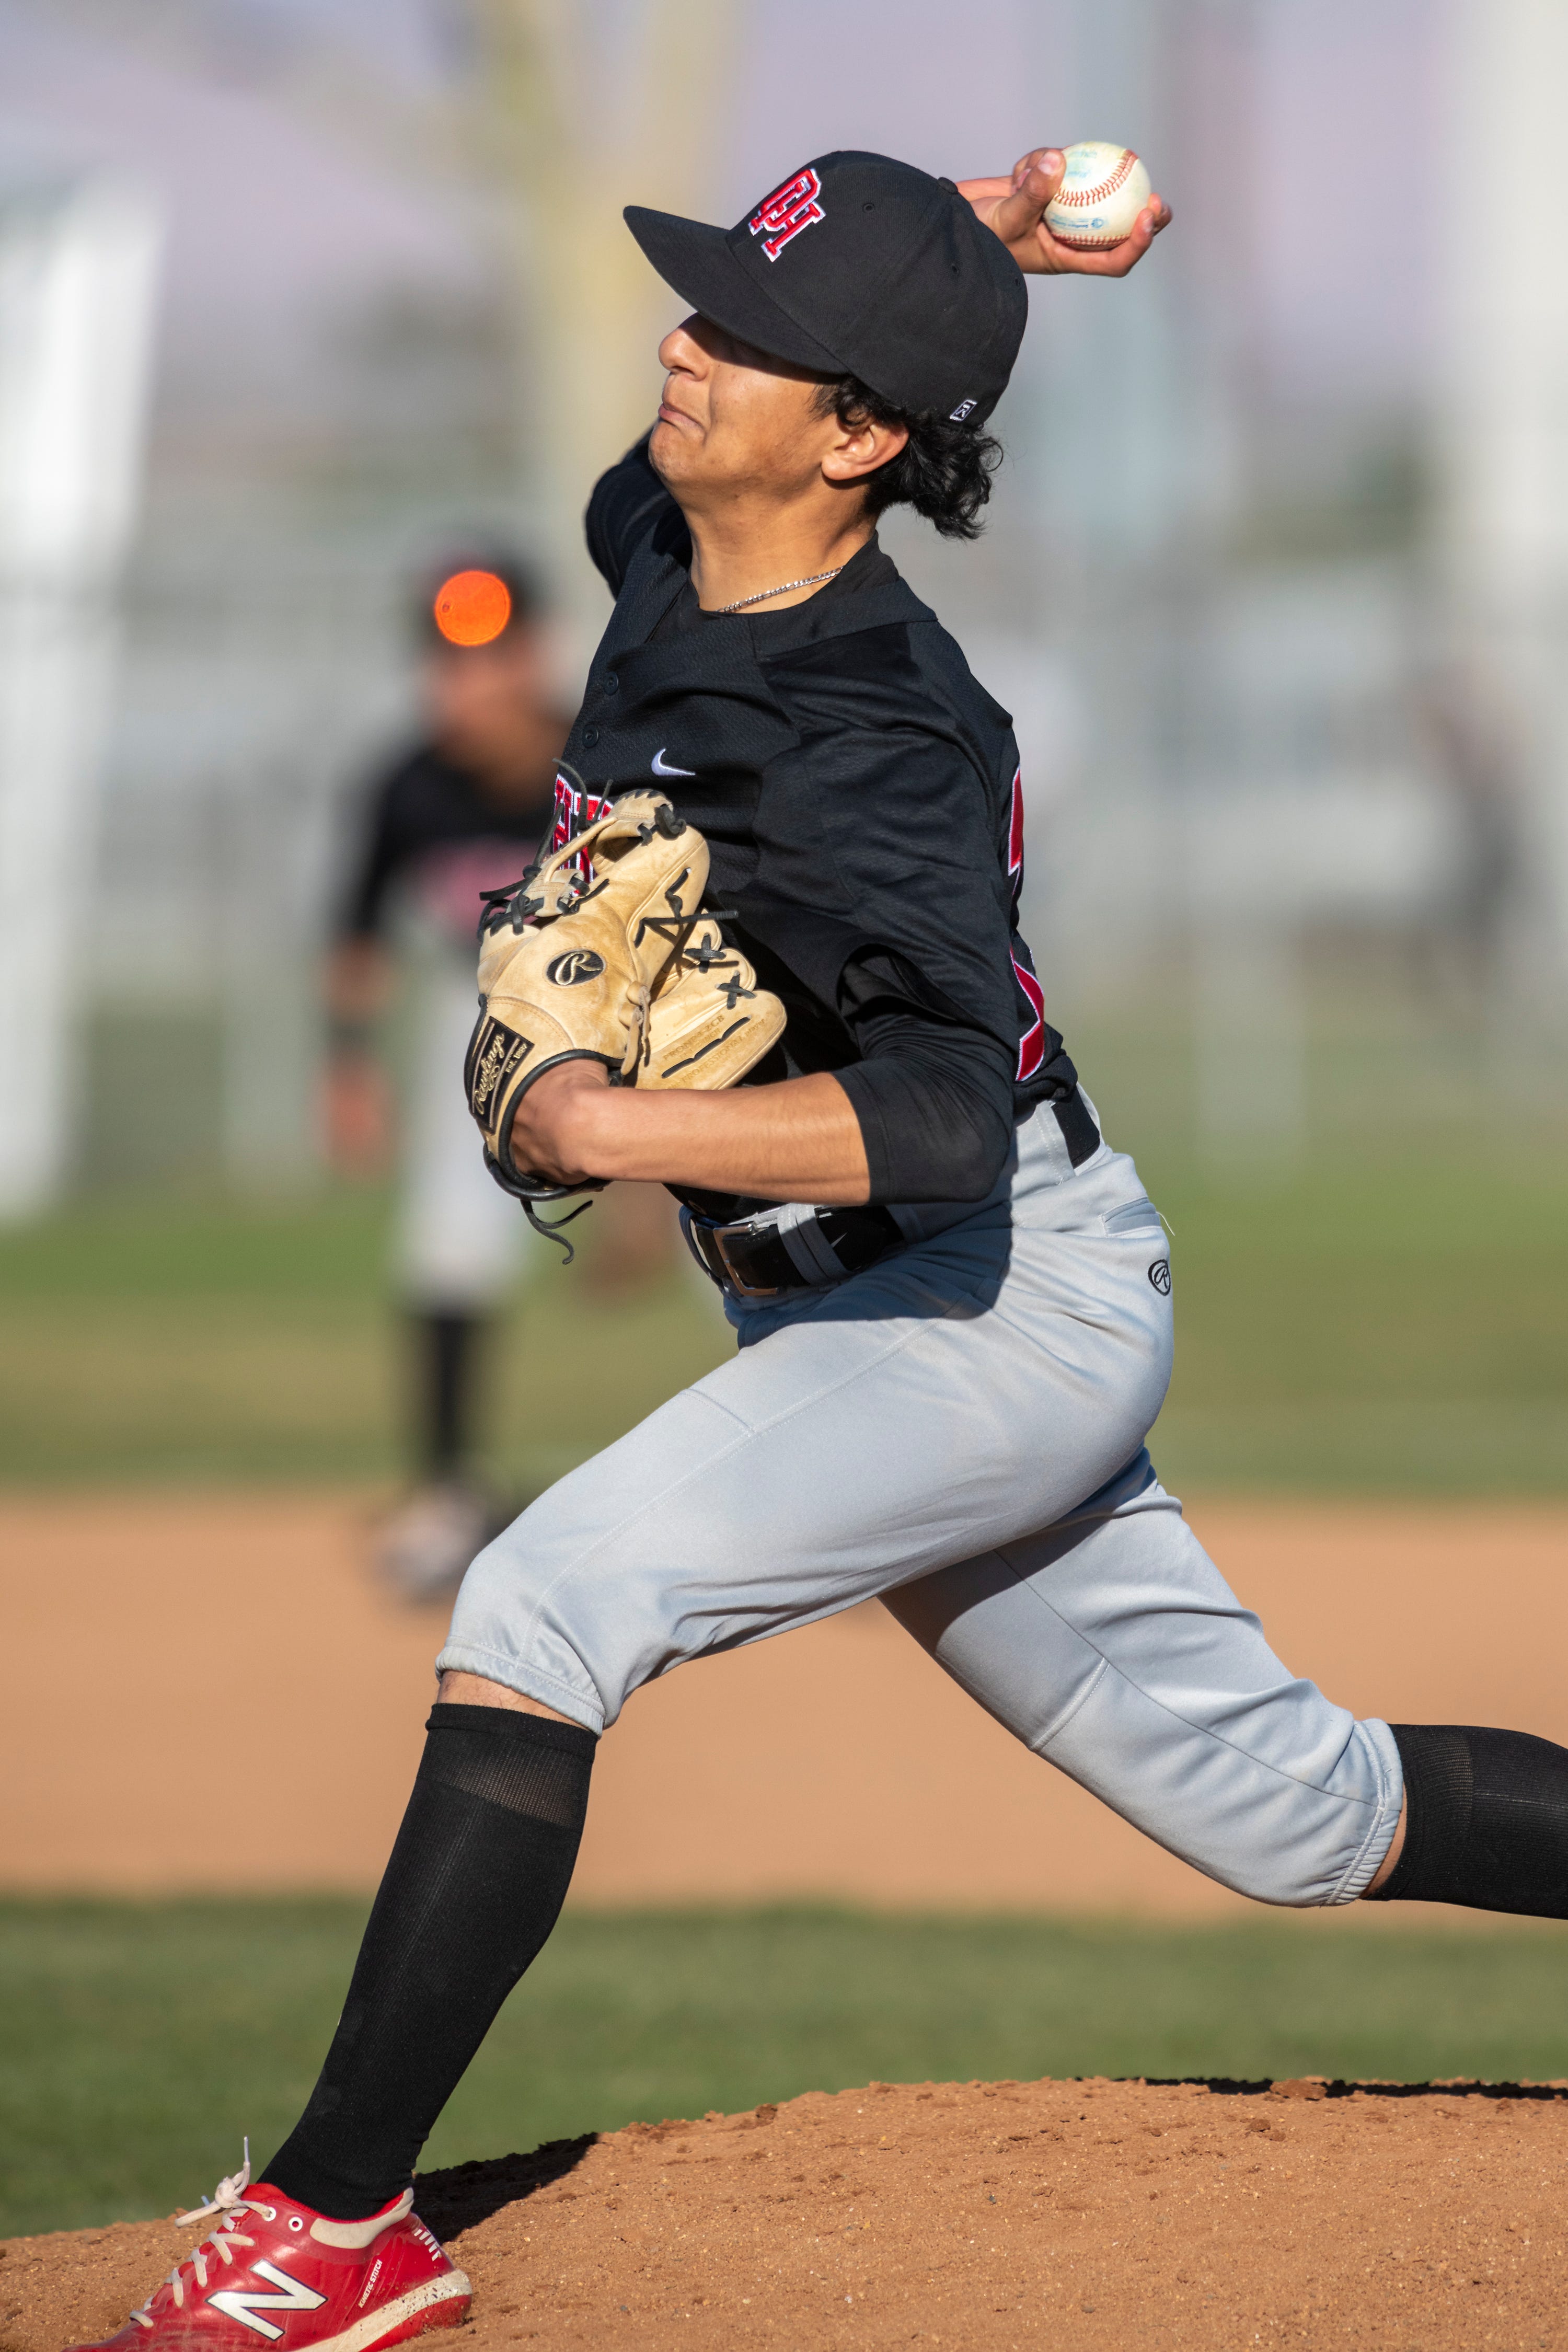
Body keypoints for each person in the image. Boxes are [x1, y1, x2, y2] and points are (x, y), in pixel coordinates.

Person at [85, 144, 1568, 2352]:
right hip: (882, 1302)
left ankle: (333, 2233)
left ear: (860, 434)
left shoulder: (878, 729)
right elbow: (703, 414)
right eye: (701, 308)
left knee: (540, 1599)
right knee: (1294, 1811)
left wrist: (607, 1122)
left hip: (993, 1296)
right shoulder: (667, 550)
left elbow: (953, 1124)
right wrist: (977, 222)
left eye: (745, 336)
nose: (683, 346)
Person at [324, 556, 568, 1599]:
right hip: (482, 1039)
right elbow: (357, 938)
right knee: (446, 1257)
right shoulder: (407, 784)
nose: (462, 687)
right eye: (445, 664)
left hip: (646, 1032)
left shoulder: (599, 762)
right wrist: (346, 1067)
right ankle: (447, 1495)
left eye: (487, 662)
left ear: (533, 661)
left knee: (748, 1252)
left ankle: (853, 1500)